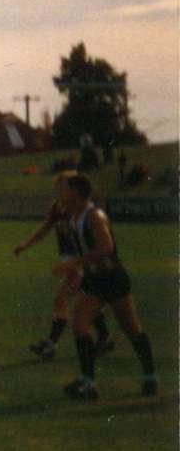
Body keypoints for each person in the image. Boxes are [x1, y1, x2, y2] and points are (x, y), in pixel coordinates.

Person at [54, 174, 158, 400]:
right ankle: (88, 383)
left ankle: (150, 377)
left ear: (77, 193)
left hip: (112, 278)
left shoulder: (94, 216)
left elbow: (106, 248)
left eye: (65, 189)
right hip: (95, 281)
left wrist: (75, 263)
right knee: (79, 325)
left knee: (131, 329)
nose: (60, 193)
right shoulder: (73, 216)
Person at [13, 171, 112, 361]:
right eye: (59, 186)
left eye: (63, 186)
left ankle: (51, 345)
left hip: (79, 261)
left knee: (62, 299)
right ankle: (104, 336)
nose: (60, 190)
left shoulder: (79, 209)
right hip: (70, 259)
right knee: (84, 300)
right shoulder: (58, 207)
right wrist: (26, 244)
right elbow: (46, 228)